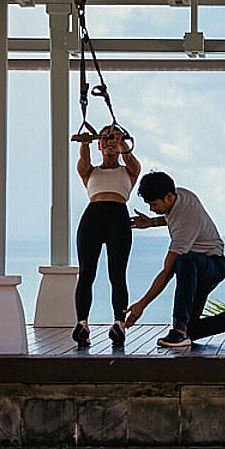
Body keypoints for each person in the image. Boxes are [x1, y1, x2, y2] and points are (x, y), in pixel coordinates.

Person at [126, 171, 225, 349]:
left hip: (212, 265)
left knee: (182, 261)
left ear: (168, 196)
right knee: (193, 329)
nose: (151, 208)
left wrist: (141, 305)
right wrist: (151, 223)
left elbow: (167, 272)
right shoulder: (180, 194)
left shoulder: (185, 222)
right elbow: (173, 218)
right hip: (198, 269)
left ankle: (178, 332)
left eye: (153, 204)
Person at [73, 126, 141, 348]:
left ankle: (119, 325)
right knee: (86, 274)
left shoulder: (129, 170)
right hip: (92, 219)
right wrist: (85, 143)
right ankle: (82, 324)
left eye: (115, 138)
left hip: (118, 220)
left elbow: (131, 161)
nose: (110, 142)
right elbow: (84, 159)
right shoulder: (89, 171)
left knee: (117, 274)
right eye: (105, 139)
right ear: (99, 144)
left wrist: (121, 144)